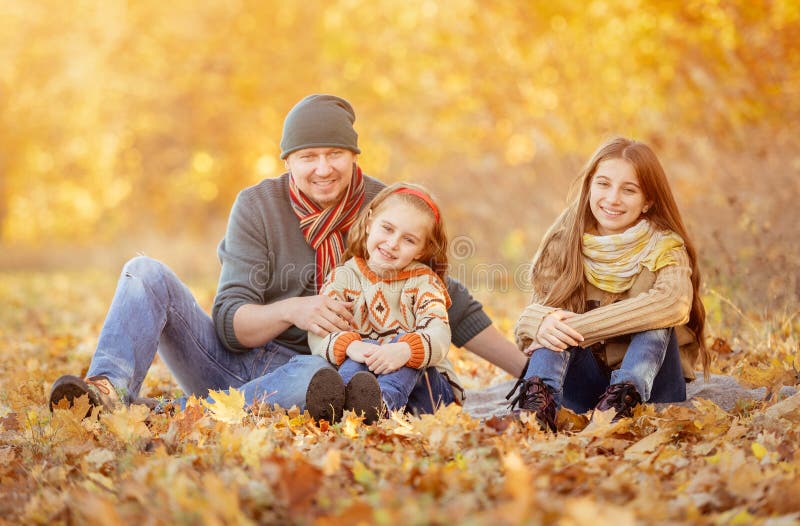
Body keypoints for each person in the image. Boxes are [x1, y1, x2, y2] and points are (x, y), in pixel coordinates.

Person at [49, 94, 527, 421]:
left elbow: (448, 302)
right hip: (229, 360)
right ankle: (106, 391)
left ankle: (172, 413)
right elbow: (229, 323)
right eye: (308, 156)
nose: (323, 169)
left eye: (335, 154)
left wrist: (528, 373)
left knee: (321, 380)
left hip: (316, 371)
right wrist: (296, 309)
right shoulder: (257, 206)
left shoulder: (386, 210)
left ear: (354, 155)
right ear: (288, 160)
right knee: (144, 271)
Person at [510, 137, 707, 431]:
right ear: (589, 187)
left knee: (654, 317)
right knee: (552, 321)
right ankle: (535, 409)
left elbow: (673, 304)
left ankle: (620, 403)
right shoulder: (565, 240)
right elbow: (532, 325)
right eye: (603, 184)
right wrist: (538, 322)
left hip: (650, 388)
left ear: (648, 201)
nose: (613, 198)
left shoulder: (665, 247)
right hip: (584, 388)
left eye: (629, 190)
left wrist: (575, 328)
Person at [309, 183, 458, 423]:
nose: (393, 243)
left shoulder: (424, 282)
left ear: (423, 250)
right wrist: (351, 347)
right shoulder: (342, 277)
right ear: (369, 223)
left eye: (409, 240)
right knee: (362, 347)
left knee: (403, 343)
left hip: (429, 396)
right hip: (366, 381)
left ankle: (380, 408)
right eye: (387, 228)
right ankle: (341, 406)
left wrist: (406, 350)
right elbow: (318, 332)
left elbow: (440, 333)